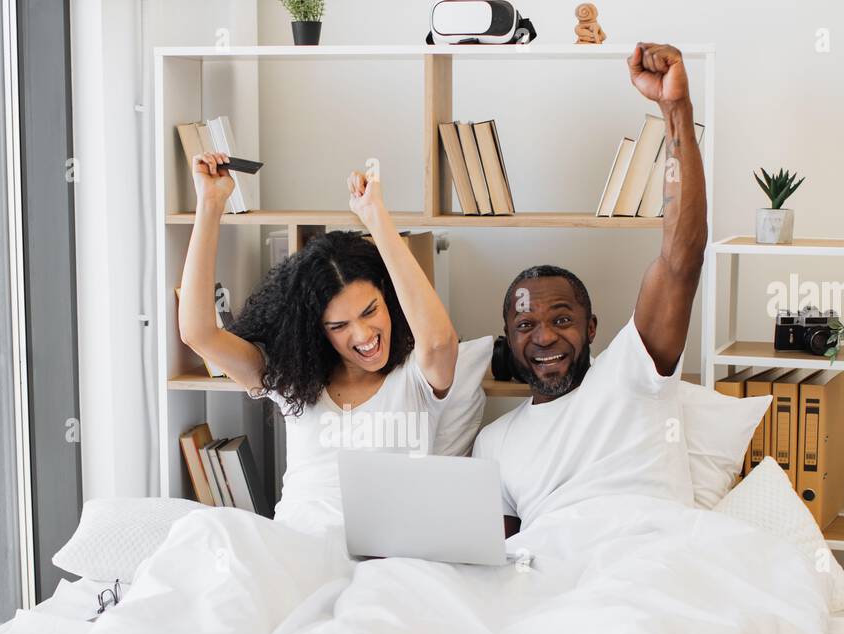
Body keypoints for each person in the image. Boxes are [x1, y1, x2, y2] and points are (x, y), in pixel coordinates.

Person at [472, 42, 707, 537]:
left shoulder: (633, 373)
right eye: (525, 325)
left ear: (592, 327)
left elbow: (680, 259)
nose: (544, 338)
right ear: (507, 338)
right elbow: (496, 558)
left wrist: (675, 110)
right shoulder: (494, 442)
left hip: (649, 565)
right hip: (552, 583)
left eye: (561, 320)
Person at [179, 154, 481, 534]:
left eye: (371, 311)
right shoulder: (292, 381)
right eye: (339, 325)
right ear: (317, 331)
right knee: (201, 539)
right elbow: (198, 334)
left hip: (386, 555)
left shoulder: (418, 376)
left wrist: (375, 217)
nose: (363, 335)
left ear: (390, 299)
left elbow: (439, 342)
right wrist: (210, 204)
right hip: (298, 547)